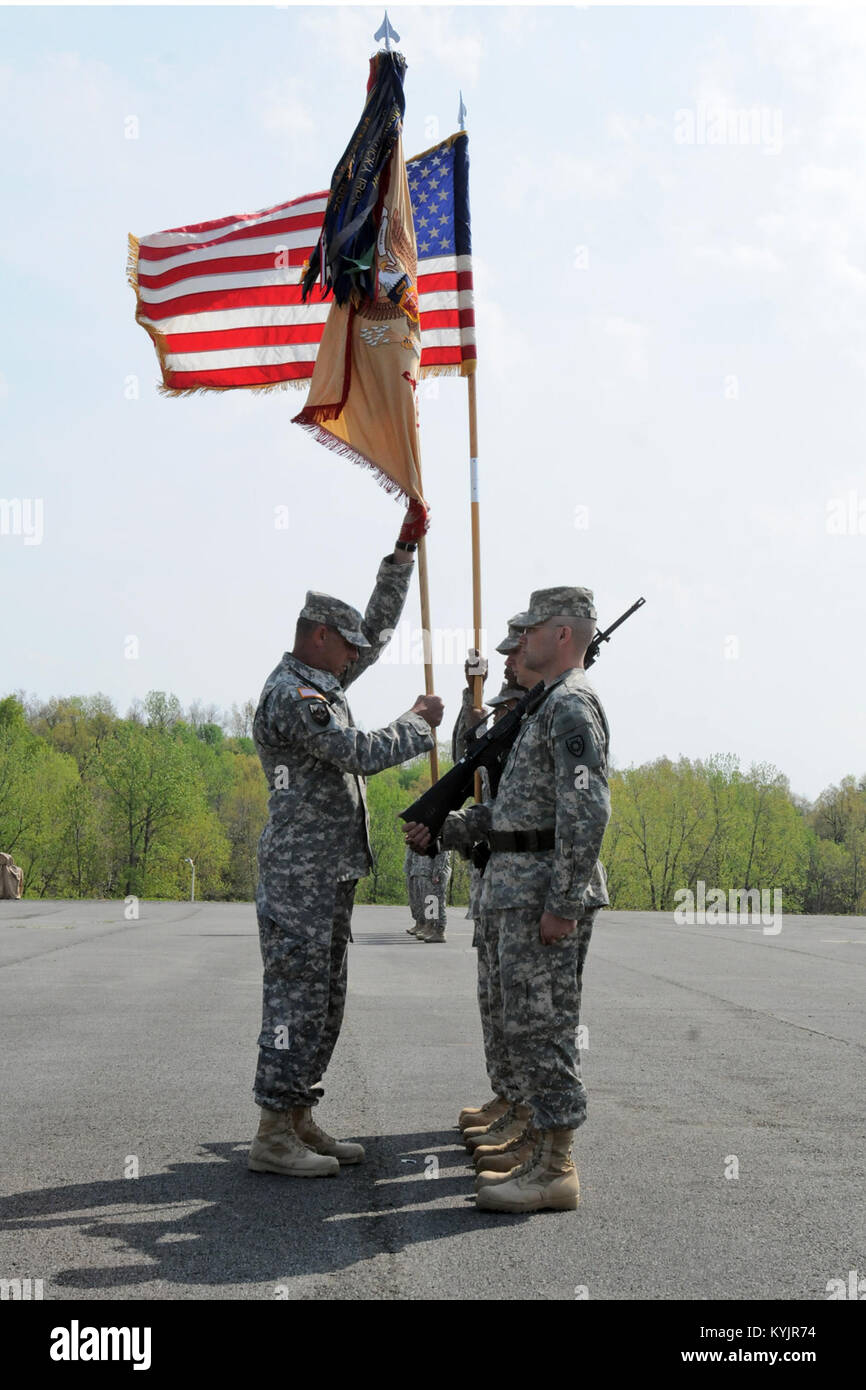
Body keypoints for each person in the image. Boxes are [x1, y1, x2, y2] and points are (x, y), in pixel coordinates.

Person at [249, 501, 444, 1178]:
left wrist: (403, 555)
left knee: (325, 999)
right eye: (349, 645)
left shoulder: (322, 679)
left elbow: (380, 634)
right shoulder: (292, 696)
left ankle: (299, 1115)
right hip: (299, 876)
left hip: (328, 873)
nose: (359, 656)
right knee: (295, 998)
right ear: (321, 637)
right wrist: (417, 726)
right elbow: (356, 751)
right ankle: (273, 1132)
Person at [405, 586, 610, 1213]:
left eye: (532, 629)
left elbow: (587, 811)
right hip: (516, 889)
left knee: (545, 1032)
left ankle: (555, 1168)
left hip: (541, 895)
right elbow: (514, 811)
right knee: (525, 1029)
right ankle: (537, 1151)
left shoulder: (571, 706)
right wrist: (453, 826)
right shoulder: (545, 706)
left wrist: (565, 902)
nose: (520, 641)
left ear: (565, 635)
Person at [404, 842, 452, 942]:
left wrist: (437, 872)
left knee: (437, 902)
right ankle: (430, 929)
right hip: (430, 871)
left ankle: (439, 931)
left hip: (438, 872)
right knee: (430, 902)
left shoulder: (443, 833)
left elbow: (442, 853)